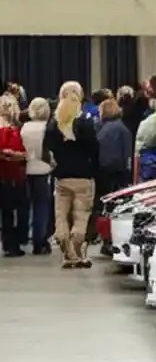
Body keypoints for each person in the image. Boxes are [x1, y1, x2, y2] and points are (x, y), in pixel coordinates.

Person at [44, 89, 98, 268]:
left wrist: (54, 165)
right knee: (81, 216)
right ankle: (77, 247)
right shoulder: (86, 124)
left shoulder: (53, 125)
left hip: (62, 177)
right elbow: (94, 149)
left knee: (61, 215)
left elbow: (46, 150)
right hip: (83, 176)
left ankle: (67, 249)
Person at [94, 99, 131, 255]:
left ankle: (105, 239)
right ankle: (114, 240)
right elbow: (127, 154)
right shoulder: (123, 129)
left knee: (103, 208)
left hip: (102, 172)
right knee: (117, 209)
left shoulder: (99, 129)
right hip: (118, 173)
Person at [21, 97, 53, 255]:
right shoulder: (48, 128)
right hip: (43, 170)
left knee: (25, 206)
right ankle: (39, 241)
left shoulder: (24, 127)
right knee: (42, 207)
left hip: (25, 169)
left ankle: (22, 236)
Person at [0, 95, 27, 257]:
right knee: (9, 212)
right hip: (8, 175)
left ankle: (10, 243)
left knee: (10, 212)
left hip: (13, 174)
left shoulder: (17, 128)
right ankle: (10, 244)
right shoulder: (11, 130)